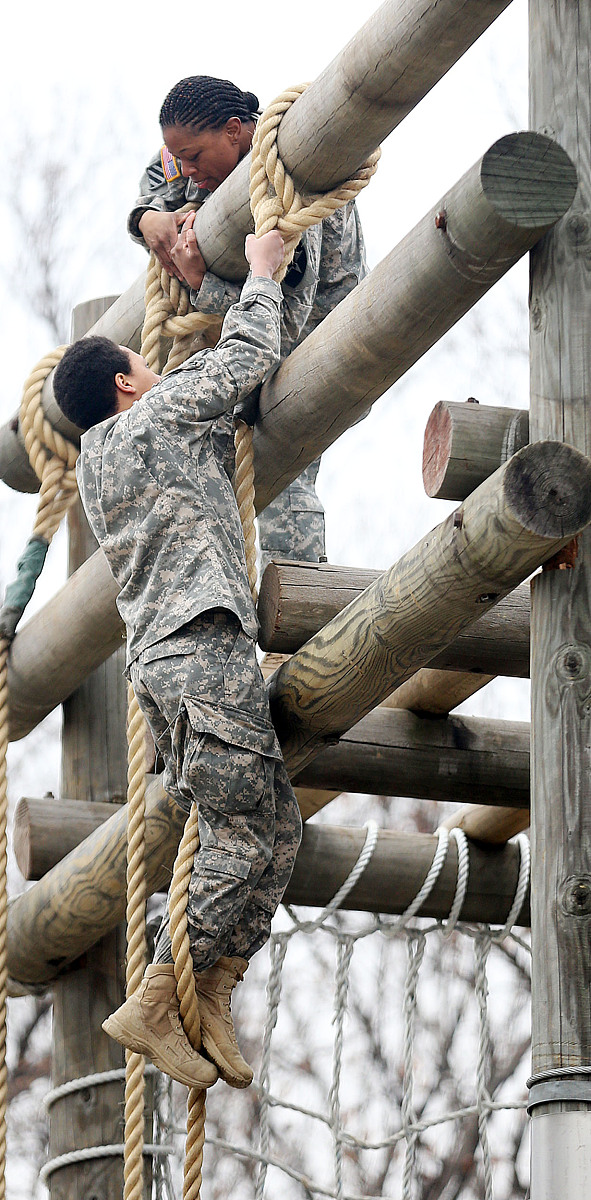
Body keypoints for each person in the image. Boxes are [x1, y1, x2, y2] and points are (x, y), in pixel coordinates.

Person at [53, 229, 302, 1091]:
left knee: (277, 830)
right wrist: (261, 275)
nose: (154, 371)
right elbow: (247, 356)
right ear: (127, 380)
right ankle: (160, 997)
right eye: (142, 362)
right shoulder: (156, 414)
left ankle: (211, 990)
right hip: (199, 644)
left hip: (164, 665)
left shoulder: (97, 462)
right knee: (243, 832)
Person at [128, 74, 368, 571]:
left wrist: (200, 281)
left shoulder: (291, 177)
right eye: (183, 160)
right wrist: (146, 217)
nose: (189, 173)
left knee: (282, 470)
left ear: (235, 131)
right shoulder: (191, 159)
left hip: (316, 343)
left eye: (196, 157)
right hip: (254, 331)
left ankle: (296, 609)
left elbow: (285, 325)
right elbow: (161, 173)